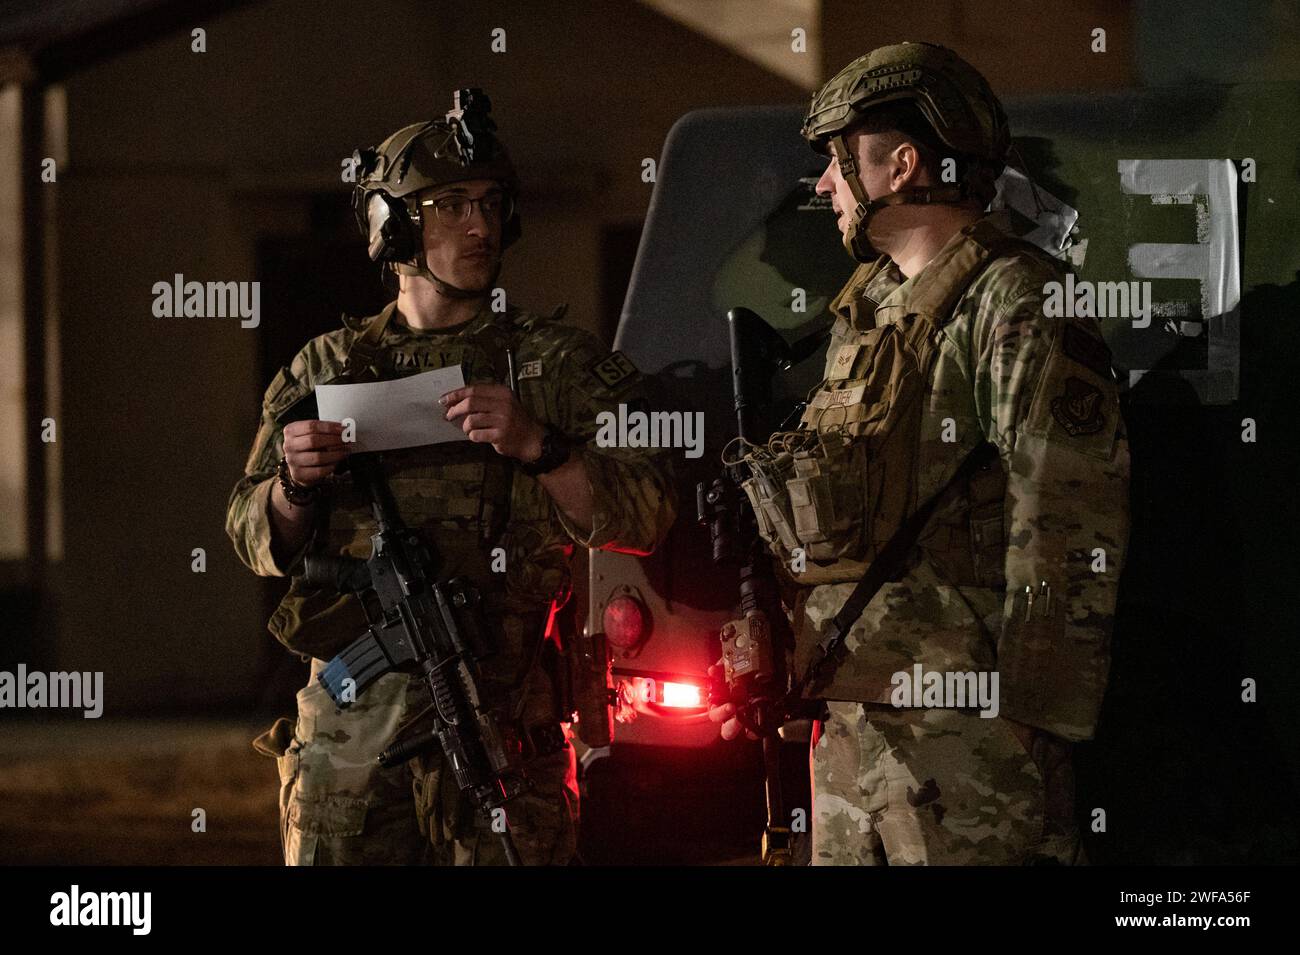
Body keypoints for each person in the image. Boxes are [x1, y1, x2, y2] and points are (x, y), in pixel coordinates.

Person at [226, 90, 676, 865]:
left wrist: (542, 447)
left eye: (491, 204)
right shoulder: (327, 368)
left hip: (501, 742)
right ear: (394, 227)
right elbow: (251, 538)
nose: (480, 225)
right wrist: (292, 485)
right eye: (452, 205)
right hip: (350, 751)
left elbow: (648, 514)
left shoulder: (555, 366)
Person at [710, 43, 1130, 865]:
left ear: (902, 165)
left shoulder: (1017, 299)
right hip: (854, 721)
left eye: (837, 160)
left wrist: (1027, 719)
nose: (824, 183)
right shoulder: (868, 308)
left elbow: (1067, 519)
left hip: (965, 736)